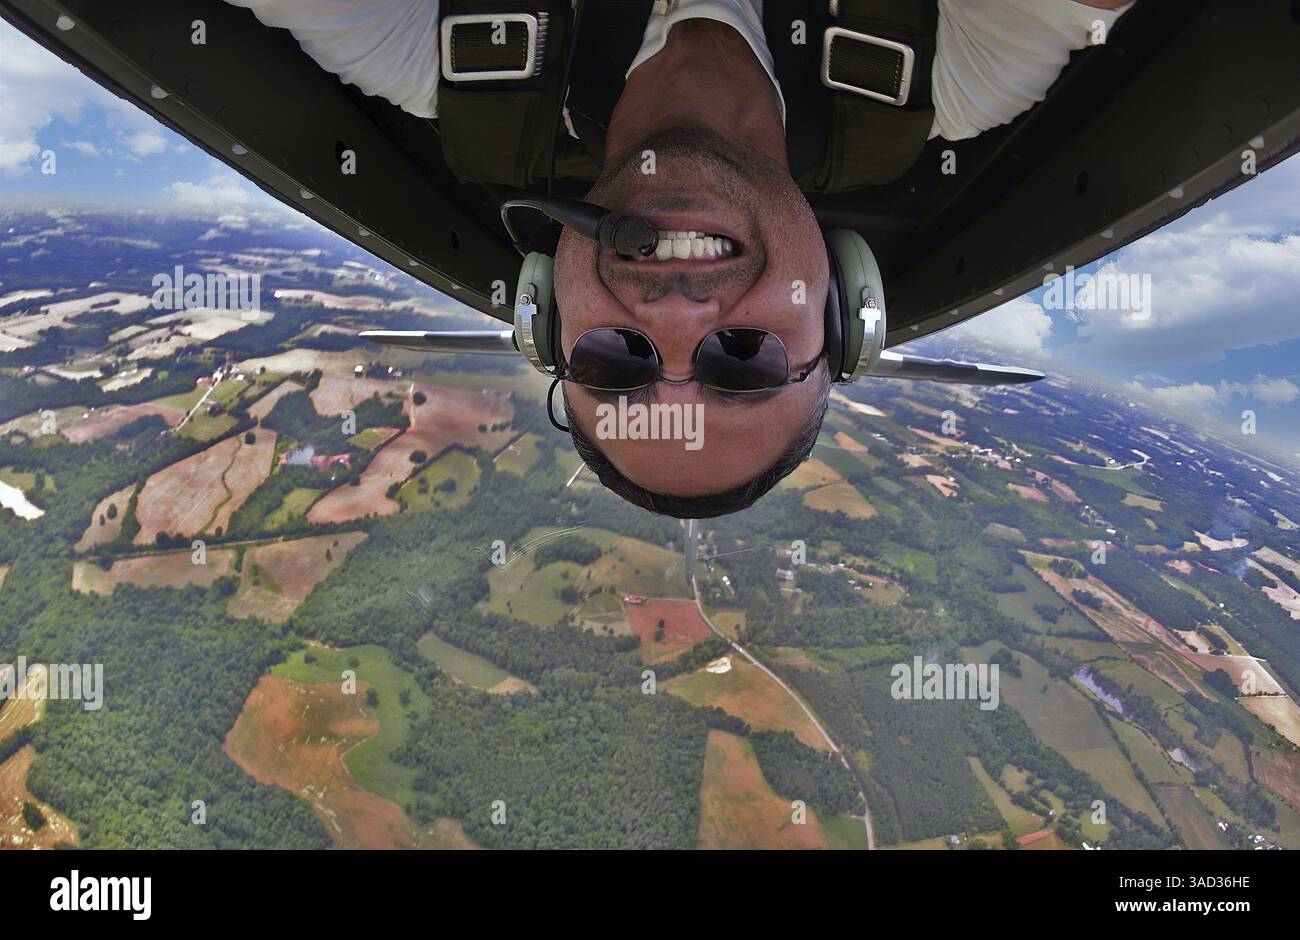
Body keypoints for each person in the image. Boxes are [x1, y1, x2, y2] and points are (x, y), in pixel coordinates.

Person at [226, 0, 1134, 517]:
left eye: (614, 363)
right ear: (838, 305)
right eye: (746, 361)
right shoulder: (954, 73)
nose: (673, 315)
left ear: (547, 306)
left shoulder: (431, 51)